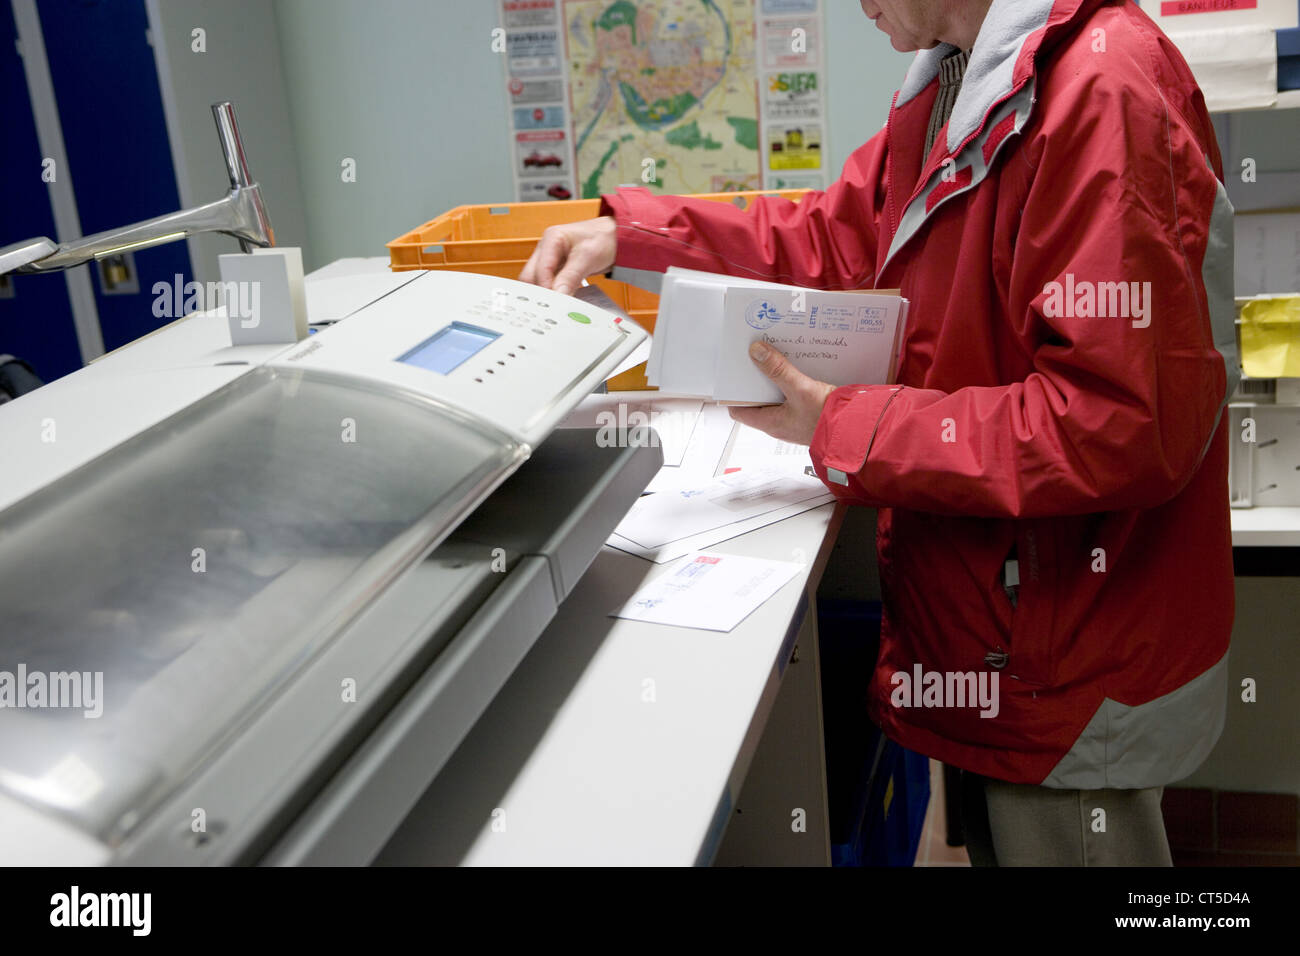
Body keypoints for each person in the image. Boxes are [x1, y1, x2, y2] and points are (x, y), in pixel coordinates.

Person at [521, 0, 1237, 866]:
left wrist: (848, 425)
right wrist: (633, 232)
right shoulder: (954, 78)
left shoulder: (1102, 85)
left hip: (1070, 648)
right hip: (1000, 621)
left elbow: (1117, 421)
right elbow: (834, 233)